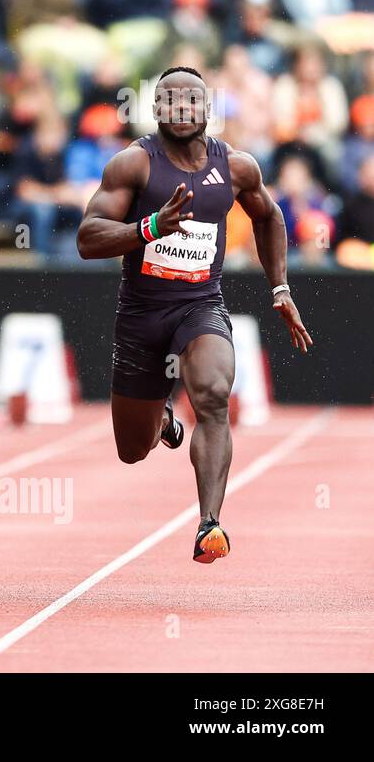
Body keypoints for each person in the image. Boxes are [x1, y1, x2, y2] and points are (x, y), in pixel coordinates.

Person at [77, 66, 313, 564]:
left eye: (191, 101)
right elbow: (88, 238)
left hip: (200, 305)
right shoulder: (133, 165)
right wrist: (150, 227)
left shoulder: (237, 167)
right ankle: (159, 413)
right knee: (131, 450)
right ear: (155, 110)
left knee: (211, 394)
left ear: (208, 110)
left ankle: (209, 523)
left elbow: (269, 217)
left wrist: (281, 287)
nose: (180, 108)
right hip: (141, 315)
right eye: (169, 100)